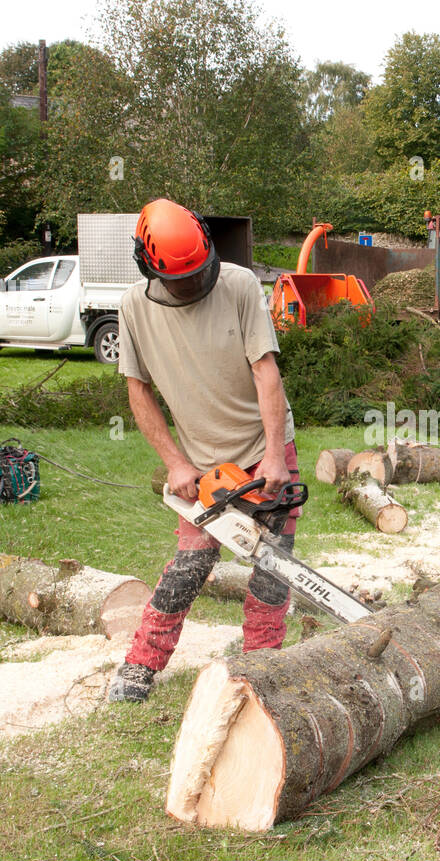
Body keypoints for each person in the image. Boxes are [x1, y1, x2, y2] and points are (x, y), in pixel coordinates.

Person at [107, 198, 299, 703]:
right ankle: (139, 665)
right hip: (201, 463)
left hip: (263, 449)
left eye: (199, 273)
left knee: (272, 570)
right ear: (148, 267)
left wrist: (276, 454)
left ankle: (262, 671)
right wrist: (175, 462)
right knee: (189, 566)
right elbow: (137, 390)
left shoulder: (237, 285)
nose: (195, 284)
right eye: (182, 279)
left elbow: (266, 370)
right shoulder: (133, 308)